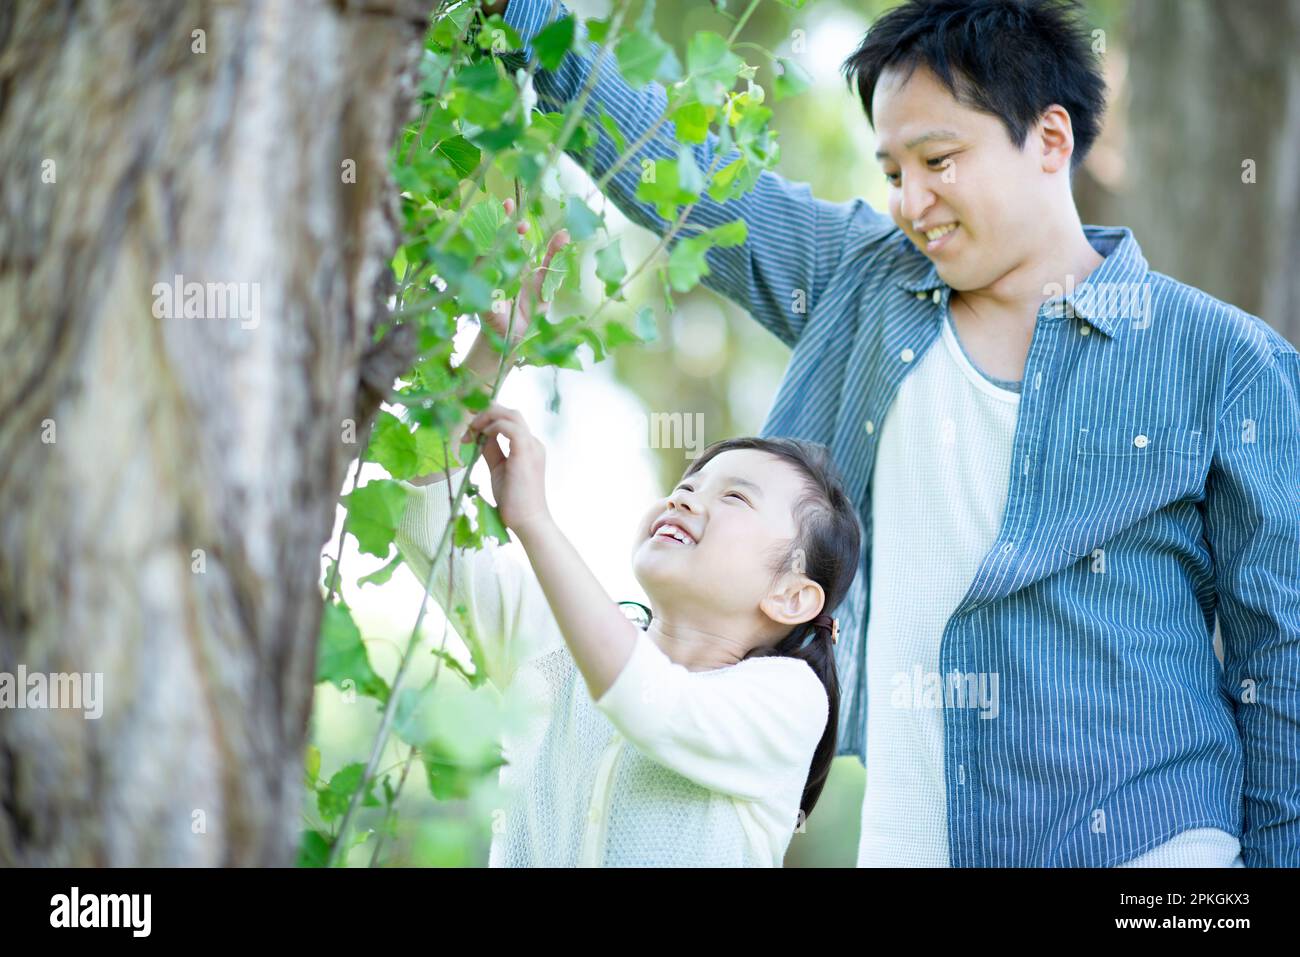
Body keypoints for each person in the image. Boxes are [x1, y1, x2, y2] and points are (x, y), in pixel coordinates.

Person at [464, 0, 1300, 866]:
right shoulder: (863, 286)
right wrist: (521, 16)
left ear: (1051, 140)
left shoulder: (1224, 360)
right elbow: (693, 177)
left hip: (1154, 858)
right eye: (893, 170)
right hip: (912, 840)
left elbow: (1283, 660)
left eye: (939, 160)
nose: (911, 200)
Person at [394, 232, 864, 865]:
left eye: (734, 499)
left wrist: (535, 522)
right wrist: (491, 358)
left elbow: (652, 704)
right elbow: (425, 518)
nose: (685, 499)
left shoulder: (787, 699)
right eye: (686, 485)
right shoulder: (554, 646)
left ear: (792, 595)